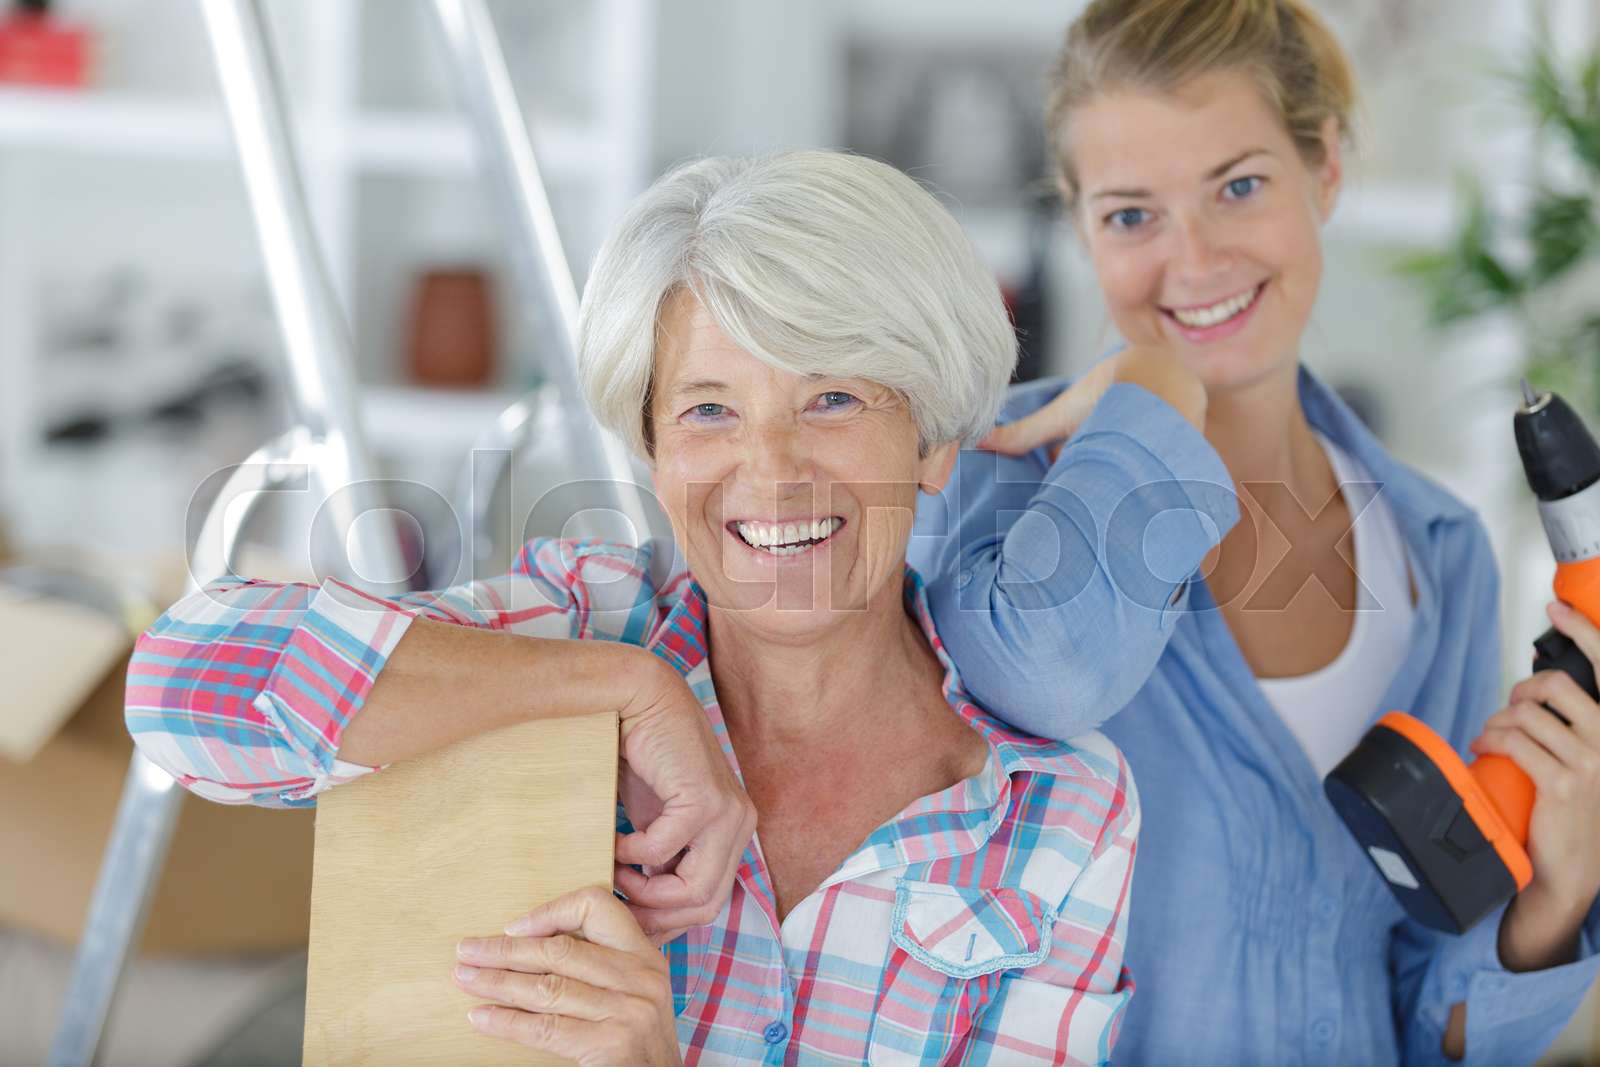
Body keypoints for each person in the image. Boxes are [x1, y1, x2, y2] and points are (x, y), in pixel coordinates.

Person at [125, 149, 1228, 1064]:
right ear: (651, 456)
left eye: (831, 396)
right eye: (708, 409)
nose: (771, 468)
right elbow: (177, 686)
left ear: (936, 441)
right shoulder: (583, 628)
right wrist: (625, 687)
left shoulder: (1061, 813)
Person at [910, 2, 1600, 1063]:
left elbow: (1434, 1012)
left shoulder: (1438, 550)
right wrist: (1150, 394)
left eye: (1238, 186)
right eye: (1131, 215)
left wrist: (1553, 893)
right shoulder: (981, 489)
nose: (1192, 261)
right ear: (1080, 221)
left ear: (1324, 169)